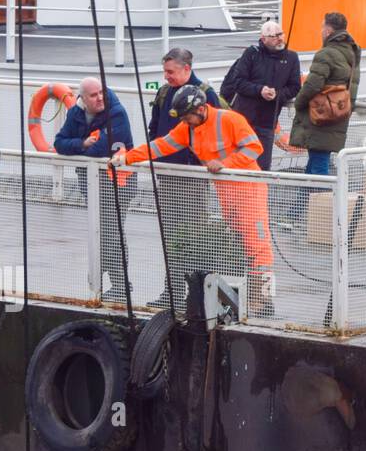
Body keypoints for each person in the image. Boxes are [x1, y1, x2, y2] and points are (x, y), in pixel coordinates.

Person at [112, 86, 275, 317]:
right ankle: (246, 302)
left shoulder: (230, 119)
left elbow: (254, 148)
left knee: (259, 249)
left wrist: (226, 163)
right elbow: (159, 146)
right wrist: (127, 157)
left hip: (250, 192)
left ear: (201, 109)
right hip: (227, 195)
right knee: (240, 247)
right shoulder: (187, 128)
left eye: (188, 116)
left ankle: (265, 302)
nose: (186, 122)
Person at [144, 48, 220, 308]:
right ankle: (172, 290)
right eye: (165, 72)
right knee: (170, 234)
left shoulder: (206, 94)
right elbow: (155, 128)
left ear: (186, 68)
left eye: (171, 72)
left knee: (193, 235)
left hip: (193, 177)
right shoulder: (165, 93)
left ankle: (196, 293)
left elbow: (213, 130)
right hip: (167, 175)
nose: (167, 77)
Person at [54, 77, 135, 302]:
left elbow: (101, 150)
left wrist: (81, 146)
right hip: (91, 182)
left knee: (110, 232)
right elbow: (59, 143)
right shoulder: (76, 113)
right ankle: (111, 282)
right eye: (93, 95)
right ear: (83, 98)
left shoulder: (116, 113)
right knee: (102, 232)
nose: (100, 98)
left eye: (101, 92)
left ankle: (120, 285)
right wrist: (82, 144)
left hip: (118, 182)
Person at [219, 21, 301, 171]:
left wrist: (277, 94)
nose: (280, 38)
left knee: (262, 168)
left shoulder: (291, 57)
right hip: (244, 119)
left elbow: (295, 87)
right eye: (274, 36)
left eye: (281, 34)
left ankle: (261, 194)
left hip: (268, 122)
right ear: (263, 39)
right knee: (240, 164)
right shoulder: (251, 53)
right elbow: (238, 82)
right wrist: (260, 90)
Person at [290, 11, 362, 177]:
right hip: (338, 113)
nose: (321, 31)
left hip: (321, 116)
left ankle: (323, 201)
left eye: (322, 27)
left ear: (328, 31)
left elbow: (312, 85)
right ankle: (305, 202)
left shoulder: (326, 53)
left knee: (319, 167)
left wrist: (298, 102)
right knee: (315, 163)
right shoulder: (352, 52)